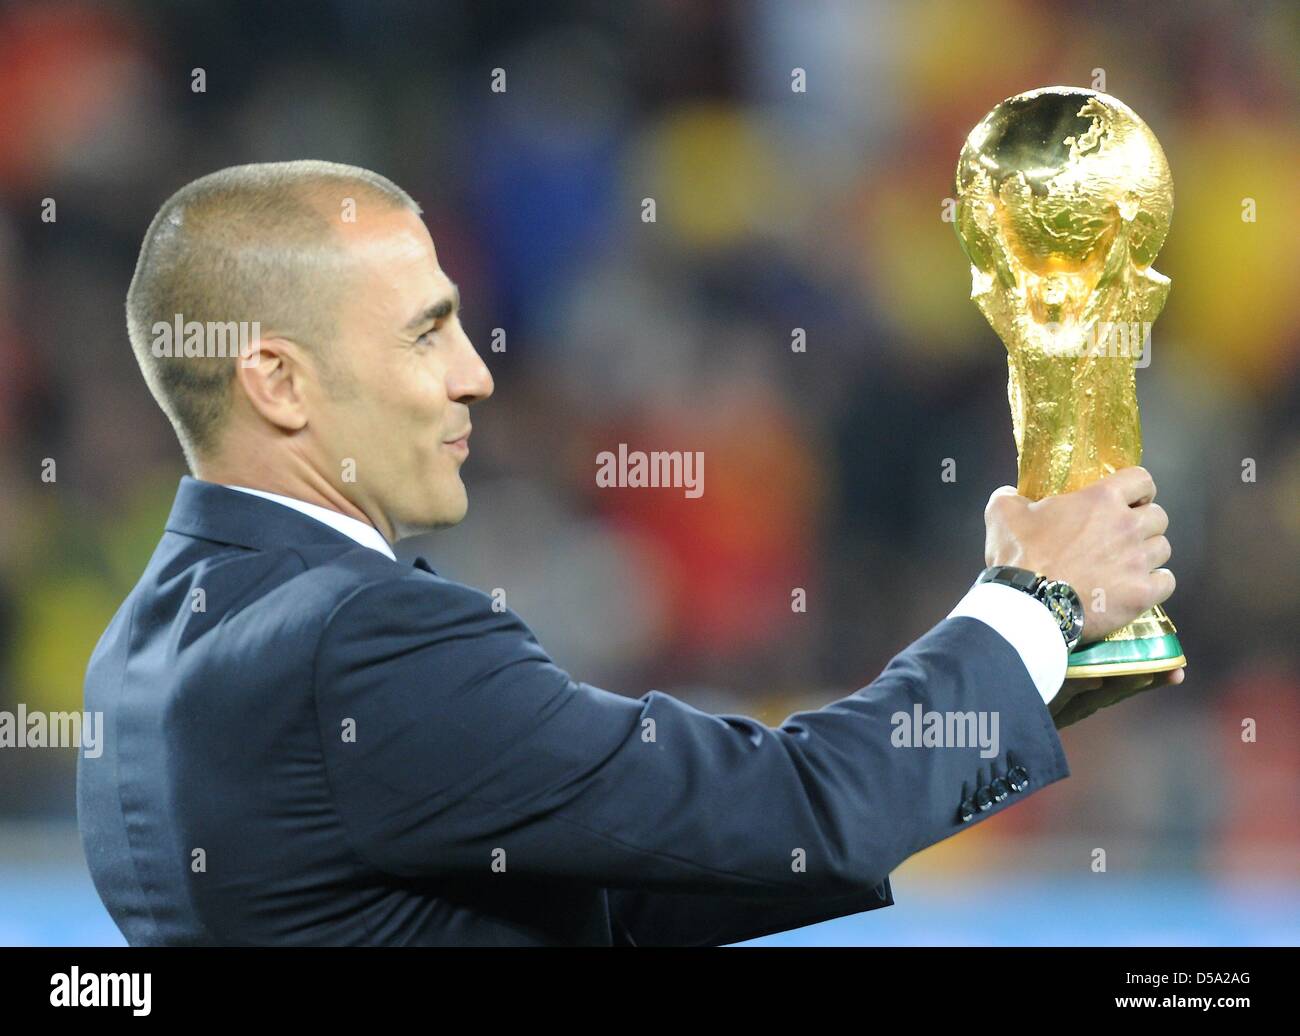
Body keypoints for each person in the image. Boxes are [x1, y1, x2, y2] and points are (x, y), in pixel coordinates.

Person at [78, 160, 1181, 946]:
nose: (477, 373)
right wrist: (1028, 603)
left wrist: (1014, 681)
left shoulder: (136, 649)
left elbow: (624, 887)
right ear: (276, 382)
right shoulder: (360, 639)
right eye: (426, 331)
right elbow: (786, 811)